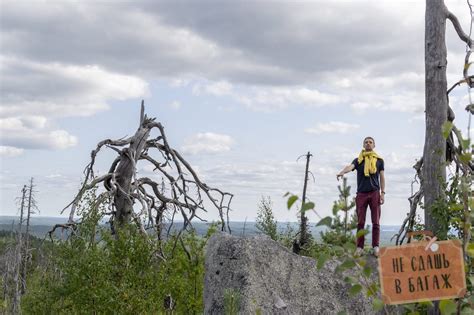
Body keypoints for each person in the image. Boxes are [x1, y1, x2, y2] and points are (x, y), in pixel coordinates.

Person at [336, 136, 385, 257]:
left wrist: (382, 193)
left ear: (374, 145)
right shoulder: (358, 160)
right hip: (361, 194)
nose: (368, 144)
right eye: (366, 142)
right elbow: (350, 167)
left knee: (376, 222)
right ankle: (359, 248)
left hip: (374, 192)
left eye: (370, 142)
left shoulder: (379, 160)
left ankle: (376, 247)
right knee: (360, 222)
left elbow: (382, 177)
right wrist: (342, 171)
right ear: (363, 145)